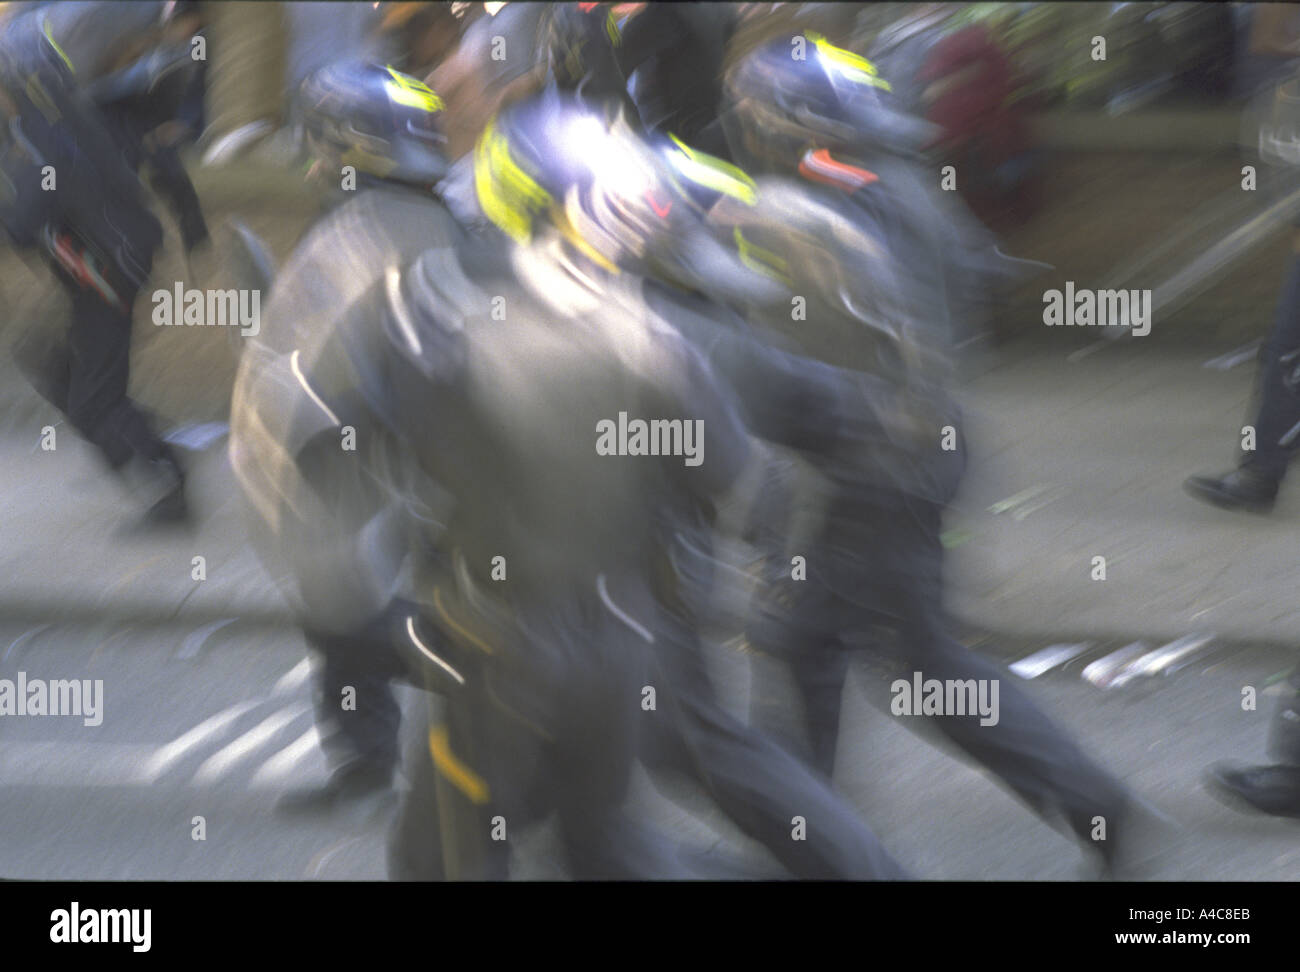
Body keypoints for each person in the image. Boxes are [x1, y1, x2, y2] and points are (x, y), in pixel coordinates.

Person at [0, 1, 201, 526]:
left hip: (108, 272)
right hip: (105, 268)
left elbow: (21, 223)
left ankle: (169, 489)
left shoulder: (47, 140)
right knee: (56, 364)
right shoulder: (60, 126)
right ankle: (150, 447)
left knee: (92, 397)